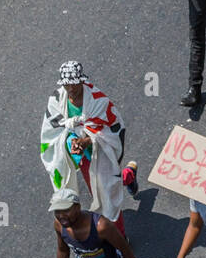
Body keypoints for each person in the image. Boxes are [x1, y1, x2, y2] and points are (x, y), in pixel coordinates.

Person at [40, 61, 136, 225]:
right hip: (75, 153)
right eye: (66, 84)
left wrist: (85, 141)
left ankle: (119, 237)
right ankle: (128, 175)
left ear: (82, 81)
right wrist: (71, 142)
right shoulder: (56, 100)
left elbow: (108, 130)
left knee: (105, 193)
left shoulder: (99, 101)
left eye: (74, 84)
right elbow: (53, 130)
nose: (71, 89)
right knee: (105, 187)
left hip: (98, 153)